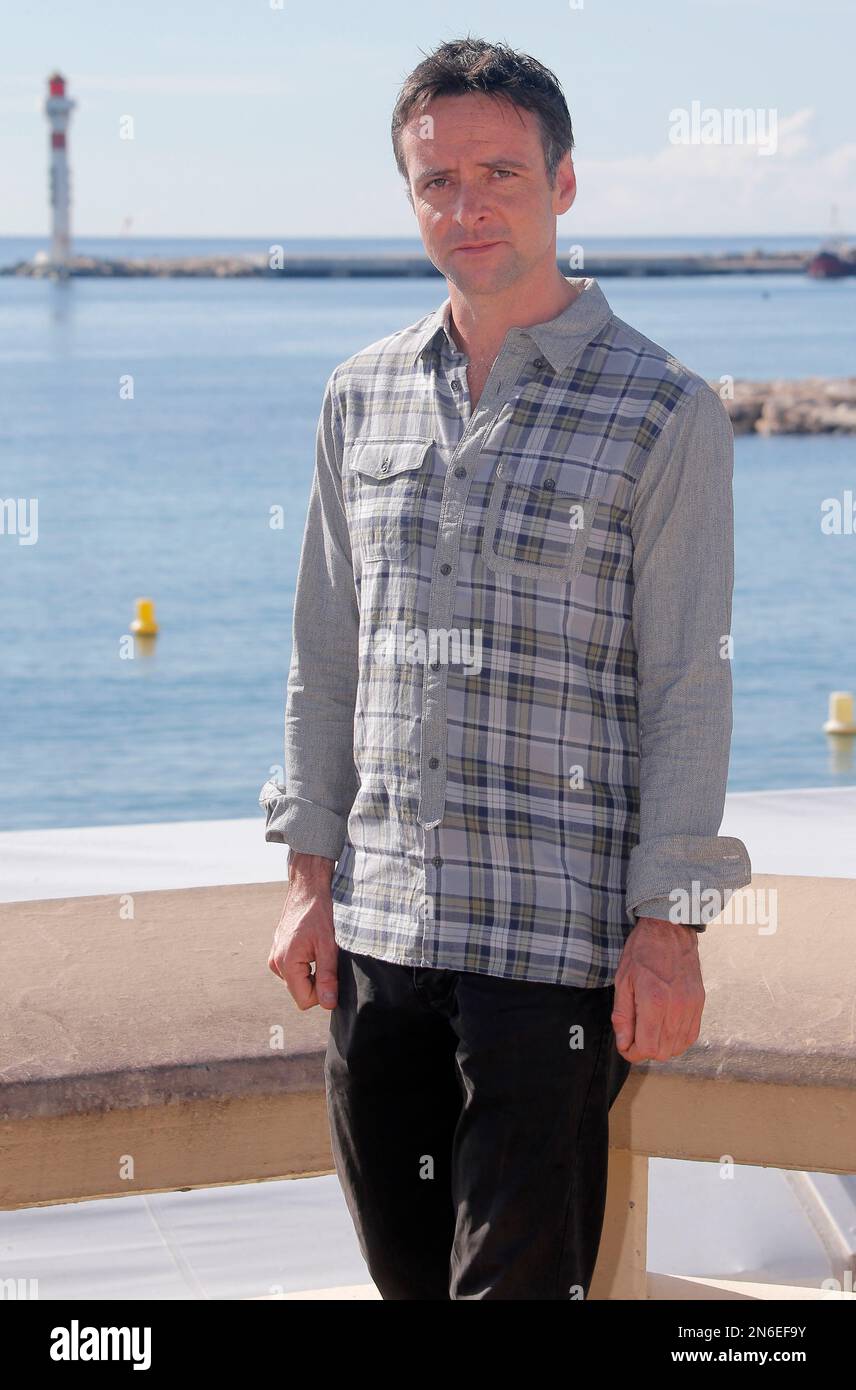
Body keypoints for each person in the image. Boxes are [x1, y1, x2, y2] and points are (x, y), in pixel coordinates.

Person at [260, 36, 752, 1300]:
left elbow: (687, 685)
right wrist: (309, 877)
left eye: (500, 174)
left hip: (554, 955)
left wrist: (668, 929)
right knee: (408, 1285)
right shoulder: (357, 395)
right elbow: (327, 652)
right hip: (378, 941)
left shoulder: (663, 410)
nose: (466, 208)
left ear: (564, 181)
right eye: (436, 182)